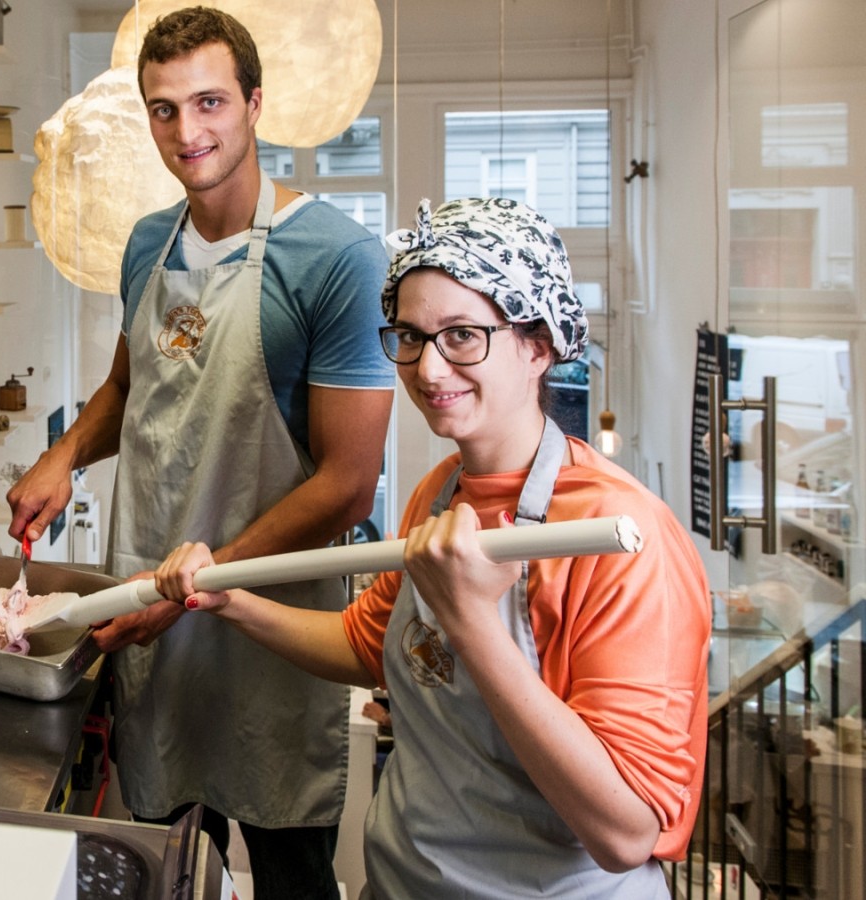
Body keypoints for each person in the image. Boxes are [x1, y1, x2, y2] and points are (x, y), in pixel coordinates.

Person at [155, 197, 711, 897]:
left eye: (462, 336)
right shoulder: (442, 494)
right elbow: (370, 644)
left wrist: (475, 621)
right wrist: (231, 601)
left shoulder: (623, 537)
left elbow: (626, 832)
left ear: (537, 345)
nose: (429, 370)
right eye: (411, 337)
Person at [5, 7, 392, 896]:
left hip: (271, 630)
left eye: (210, 102)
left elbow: (345, 484)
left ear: (256, 104)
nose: (189, 131)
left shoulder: (338, 258)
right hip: (149, 602)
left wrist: (197, 589)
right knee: (159, 870)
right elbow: (130, 385)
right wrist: (64, 456)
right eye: (165, 109)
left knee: (291, 872)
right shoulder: (148, 243)